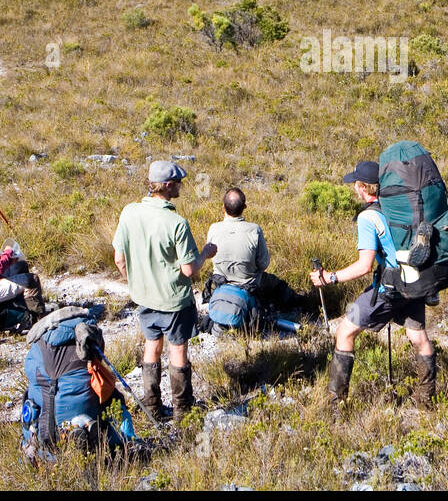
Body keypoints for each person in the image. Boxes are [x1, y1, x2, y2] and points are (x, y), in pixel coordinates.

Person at [309, 160, 437, 408]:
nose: (355, 189)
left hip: (389, 288)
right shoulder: (398, 208)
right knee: (418, 336)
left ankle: (336, 403)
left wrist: (330, 277)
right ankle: (426, 400)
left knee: (345, 332)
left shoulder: (368, 217)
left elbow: (364, 265)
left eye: (356, 185)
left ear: (362, 187)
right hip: (414, 281)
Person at [112, 160, 216, 422]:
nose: (181, 186)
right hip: (173, 300)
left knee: (151, 347)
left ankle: (153, 408)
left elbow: (119, 259)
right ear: (168, 186)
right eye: (179, 182)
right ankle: (183, 412)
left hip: (144, 297)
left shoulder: (129, 212)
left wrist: (135, 282)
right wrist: (205, 253)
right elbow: (189, 270)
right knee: (178, 351)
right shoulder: (176, 222)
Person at [203, 187, 305, 312]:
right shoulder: (254, 230)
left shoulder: (213, 228)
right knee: (276, 284)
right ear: (244, 207)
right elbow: (263, 264)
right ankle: (300, 306)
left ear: (223, 207)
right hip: (249, 286)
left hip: (221, 283)